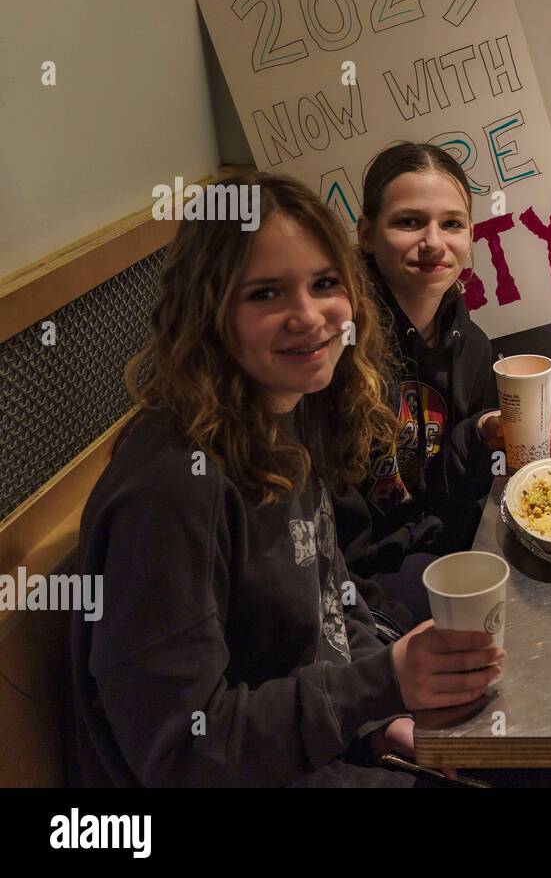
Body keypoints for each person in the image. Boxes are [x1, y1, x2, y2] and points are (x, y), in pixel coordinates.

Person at [71, 173, 504, 787]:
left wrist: (380, 722)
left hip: (317, 750)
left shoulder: (288, 416)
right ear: (208, 310)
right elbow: (180, 753)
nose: (308, 316)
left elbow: (331, 607)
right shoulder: (170, 490)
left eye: (325, 284)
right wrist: (379, 686)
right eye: (266, 294)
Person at [349, 143, 551, 629]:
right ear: (366, 234)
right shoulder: (337, 349)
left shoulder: (472, 344)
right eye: (408, 222)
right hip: (364, 582)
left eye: (452, 224)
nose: (433, 242)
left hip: (438, 545)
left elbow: (443, 470)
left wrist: (487, 427)